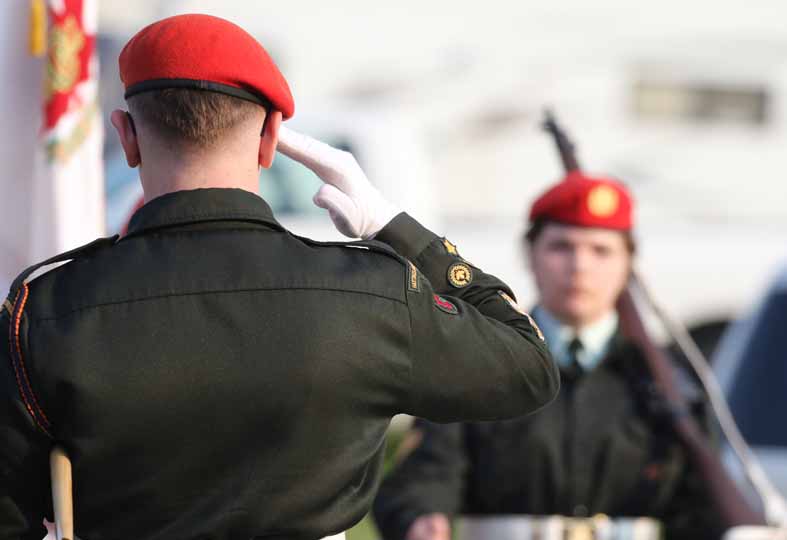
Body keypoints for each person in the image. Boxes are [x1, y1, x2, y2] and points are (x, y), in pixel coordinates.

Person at [0, 14, 559, 540]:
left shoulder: (43, 309)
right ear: (271, 140)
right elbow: (529, 366)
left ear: (125, 136)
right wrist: (397, 229)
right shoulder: (369, 295)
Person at [373, 171, 722, 540]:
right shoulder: (482, 362)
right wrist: (422, 518)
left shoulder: (665, 378)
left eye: (601, 250)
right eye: (561, 247)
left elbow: (701, 505)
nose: (580, 266)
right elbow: (426, 475)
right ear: (529, 254)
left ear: (628, 264)